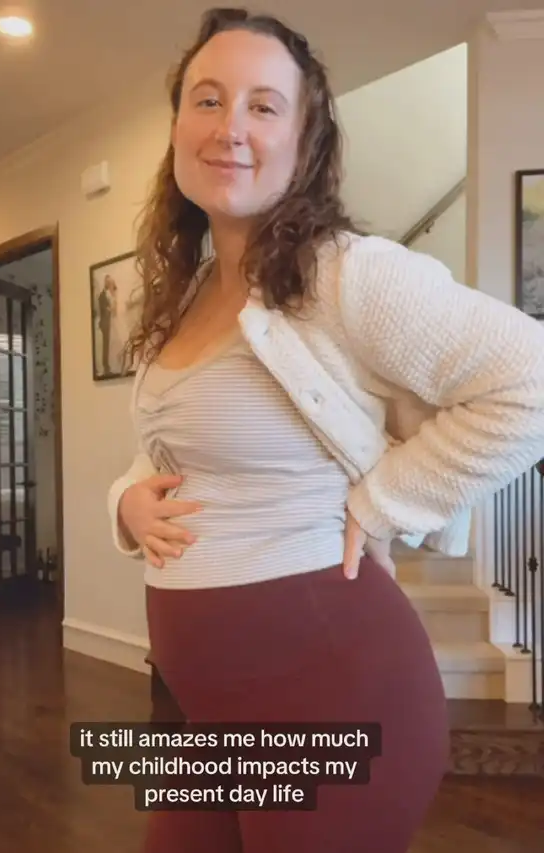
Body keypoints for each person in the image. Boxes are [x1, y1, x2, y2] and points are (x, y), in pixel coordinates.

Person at [107, 8, 544, 852]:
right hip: (211, 711)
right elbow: (178, 449)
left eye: (264, 106)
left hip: (331, 691)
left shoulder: (344, 275)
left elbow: (532, 379)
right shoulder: (185, 293)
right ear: (177, 126)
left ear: (305, 141)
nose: (230, 126)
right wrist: (127, 501)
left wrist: (385, 500)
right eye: (207, 99)